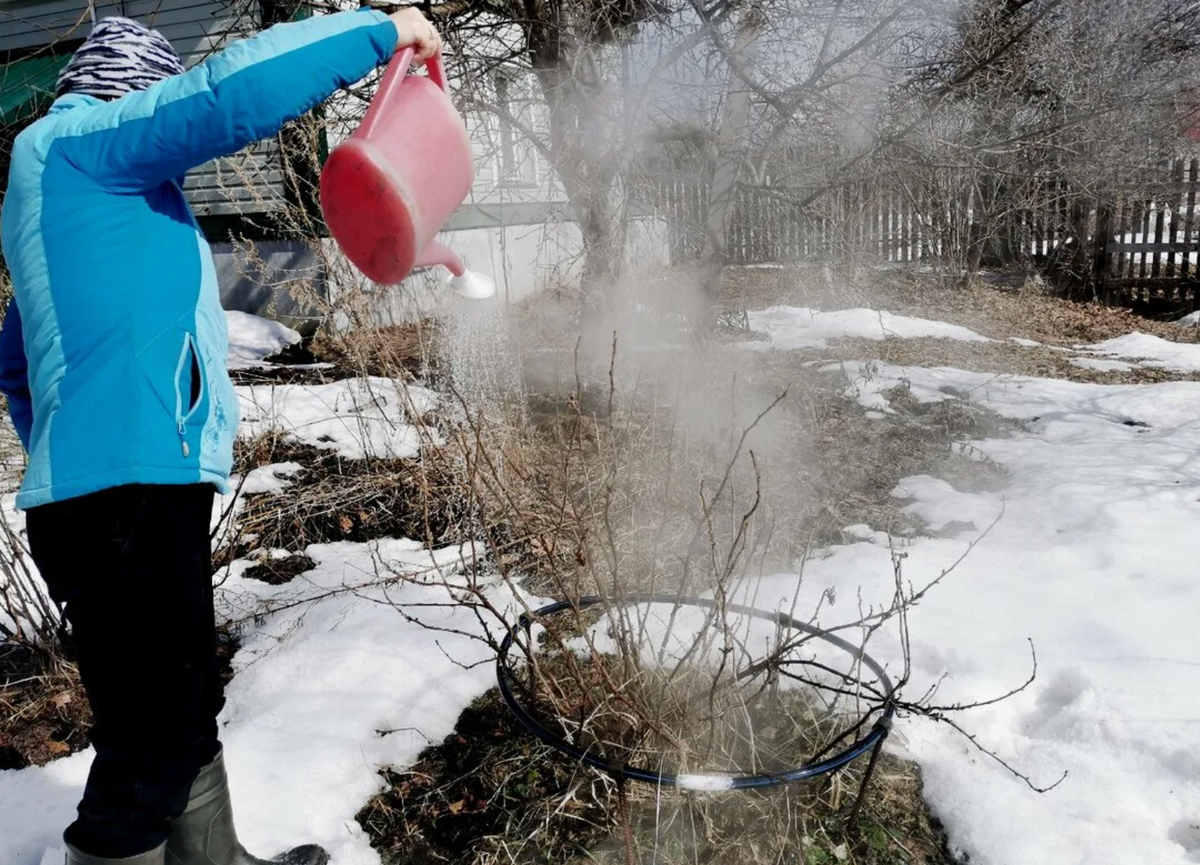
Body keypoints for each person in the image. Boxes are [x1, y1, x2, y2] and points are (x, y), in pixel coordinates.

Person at [0, 7, 441, 865]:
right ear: (130, 90)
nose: (163, 121)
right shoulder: (84, 144)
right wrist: (383, 32)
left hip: (115, 489)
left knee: (178, 700)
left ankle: (217, 860)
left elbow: (15, 365)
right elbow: (223, 94)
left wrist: (74, 443)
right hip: (121, 491)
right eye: (153, 99)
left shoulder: (66, 202)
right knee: (149, 742)